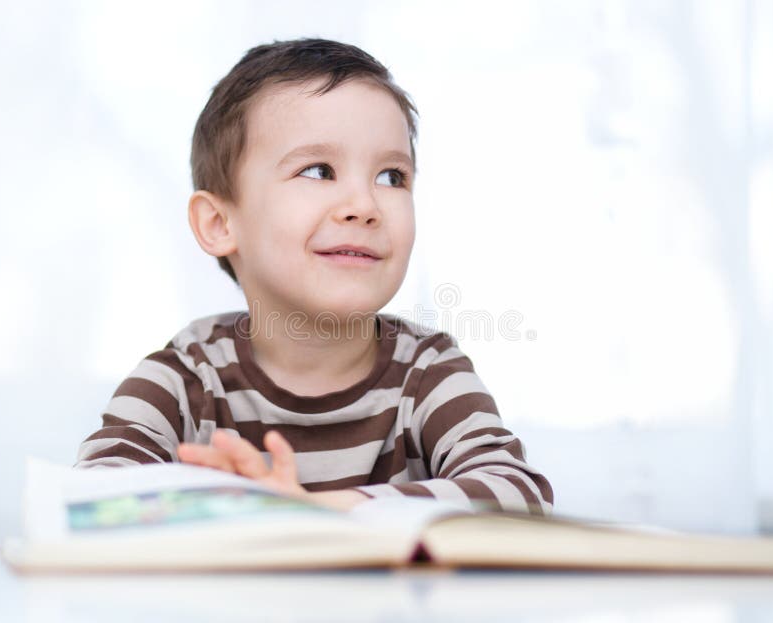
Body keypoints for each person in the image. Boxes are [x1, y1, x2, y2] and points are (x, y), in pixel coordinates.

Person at [75, 38, 553, 515]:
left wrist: (312, 510)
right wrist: (229, 506)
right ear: (220, 224)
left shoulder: (427, 372)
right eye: (319, 170)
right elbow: (90, 500)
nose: (364, 207)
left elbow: (518, 495)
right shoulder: (185, 379)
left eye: (391, 177)